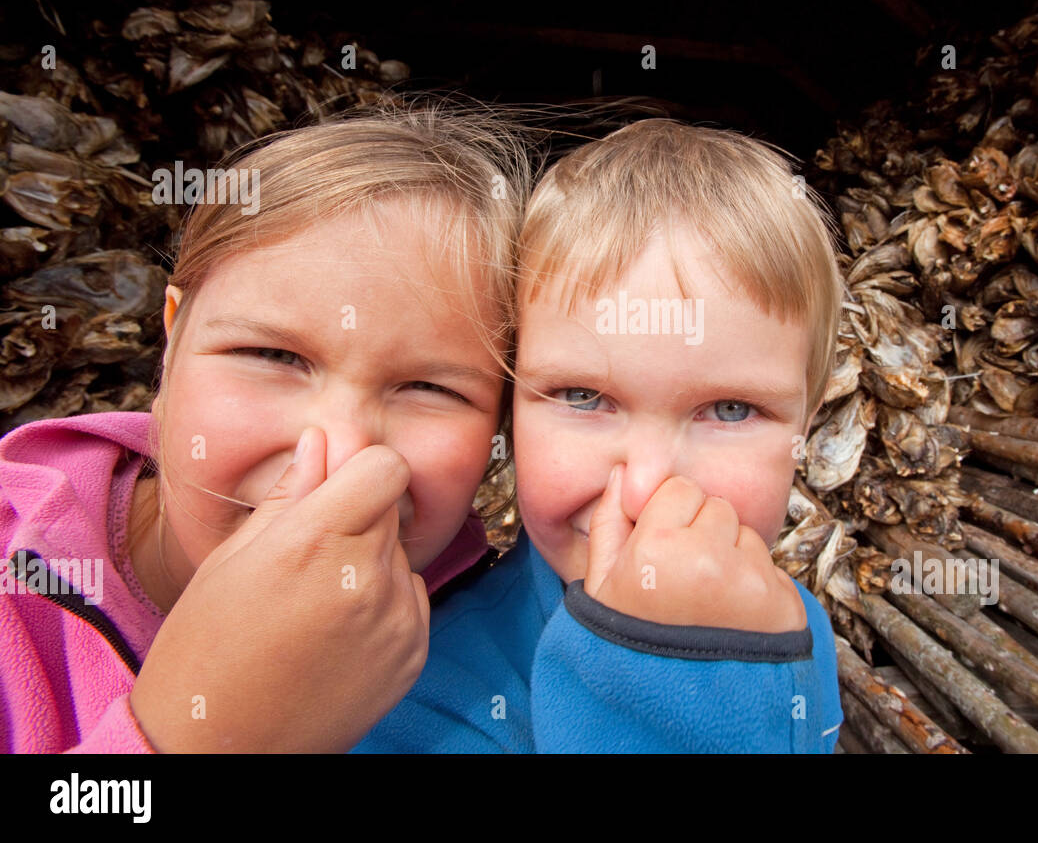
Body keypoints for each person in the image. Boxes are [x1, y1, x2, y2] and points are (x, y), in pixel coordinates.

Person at [0, 103, 530, 752]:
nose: (338, 452)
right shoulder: (15, 590)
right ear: (173, 336)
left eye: (430, 388)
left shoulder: (499, 650)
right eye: (273, 356)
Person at [357, 119, 844, 752]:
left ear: (804, 432)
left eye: (729, 409)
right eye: (584, 397)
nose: (645, 492)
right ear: (511, 414)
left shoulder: (796, 618)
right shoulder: (434, 700)